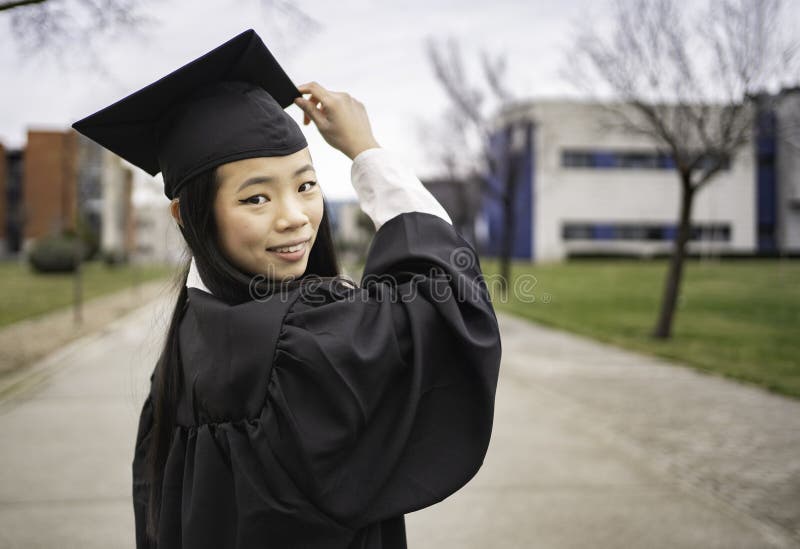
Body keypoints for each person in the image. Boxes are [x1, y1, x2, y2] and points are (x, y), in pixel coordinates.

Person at [72, 29, 502, 549]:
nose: (296, 218)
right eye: (256, 199)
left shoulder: (188, 343)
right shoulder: (304, 343)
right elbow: (448, 299)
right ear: (188, 216)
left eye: (305, 185)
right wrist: (365, 151)